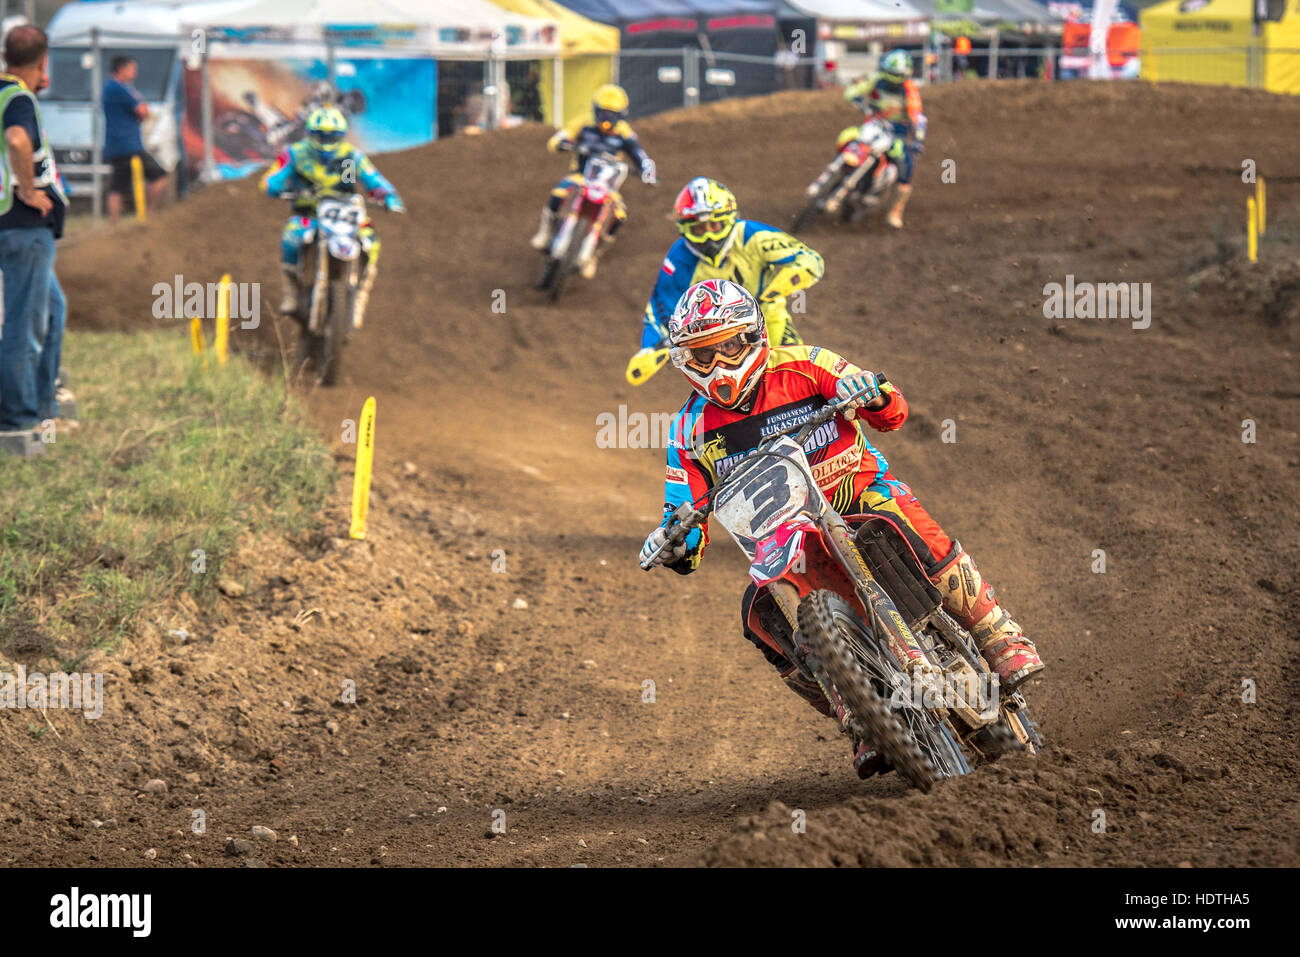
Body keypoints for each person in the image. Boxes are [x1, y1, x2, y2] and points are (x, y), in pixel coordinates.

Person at [639, 279, 1043, 775]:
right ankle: (856, 709)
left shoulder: (808, 364)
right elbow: (684, 513)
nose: (719, 365)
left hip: (852, 492)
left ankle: (997, 632)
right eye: (703, 355)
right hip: (783, 533)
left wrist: (869, 391)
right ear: (685, 360)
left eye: (728, 347)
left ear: (754, 338)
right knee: (758, 613)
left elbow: (892, 411)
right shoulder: (688, 430)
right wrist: (677, 542)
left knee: (893, 517)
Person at [634, 177, 823, 362]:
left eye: (714, 225)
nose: (708, 235)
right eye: (699, 229)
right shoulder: (679, 259)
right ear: (684, 229)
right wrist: (649, 348)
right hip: (720, 340)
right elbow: (660, 309)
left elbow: (808, 258)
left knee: (799, 371)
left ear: (730, 220)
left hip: (771, 320)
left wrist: (794, 275)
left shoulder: (751, 235)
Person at [261, 106, 404, 319]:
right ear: (311, 133)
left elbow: (372, 177)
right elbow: (274, 176)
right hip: (310, 215)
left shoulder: (350, 156)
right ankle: (290, 291)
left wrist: (388, 196)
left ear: (341, 135)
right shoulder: (295, 153)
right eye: (321, 135)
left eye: (332, 136)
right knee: (291, 235)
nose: (326, 141)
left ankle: (360, 295)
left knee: (370, 239)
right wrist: (274, 186)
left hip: (345, 215)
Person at [0, 25, 71, 443]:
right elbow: (17, 138)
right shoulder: (18, 97)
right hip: (21, 226)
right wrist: (27, 187)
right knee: (24, 325)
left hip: (17, 228)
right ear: (43, 61)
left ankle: (43, 406)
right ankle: (19, 420)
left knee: (51, 310)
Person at [529, 83, 656, 278]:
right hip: (580, 177)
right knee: (558, 192)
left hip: (607, 185)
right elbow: (557, 139)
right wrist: (561, 144)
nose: (607, 118)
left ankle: (595, 254)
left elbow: (641, 155)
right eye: (604, 112)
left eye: (613, 113)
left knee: (620, 214)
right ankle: (545, 232)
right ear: (596, 109)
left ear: (621, 115)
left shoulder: (624, 133)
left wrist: (648, 172)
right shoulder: (583, 124)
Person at [844, 50, 927, 229]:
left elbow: (918, 117)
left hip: (897, 134)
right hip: (874, 125)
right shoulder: (877, 79)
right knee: (848, 139)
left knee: (906, 166)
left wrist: (918, 140)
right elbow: (854, 90)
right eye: (888, 72)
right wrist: (855, 98)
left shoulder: (909, 90)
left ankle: (895, 211)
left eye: (895, 74)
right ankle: (841, 174)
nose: (890, 78)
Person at [101, 55, 168, 224]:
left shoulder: (109, 87)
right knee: (159, 176)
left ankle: (114, 224)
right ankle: (150, 215)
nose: (134, 73)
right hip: (128, 145)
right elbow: (143, 111)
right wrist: (143, 111)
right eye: (132, 69)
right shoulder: (120, 89)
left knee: (117, 186)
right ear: (121, 69)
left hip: (117, 145)